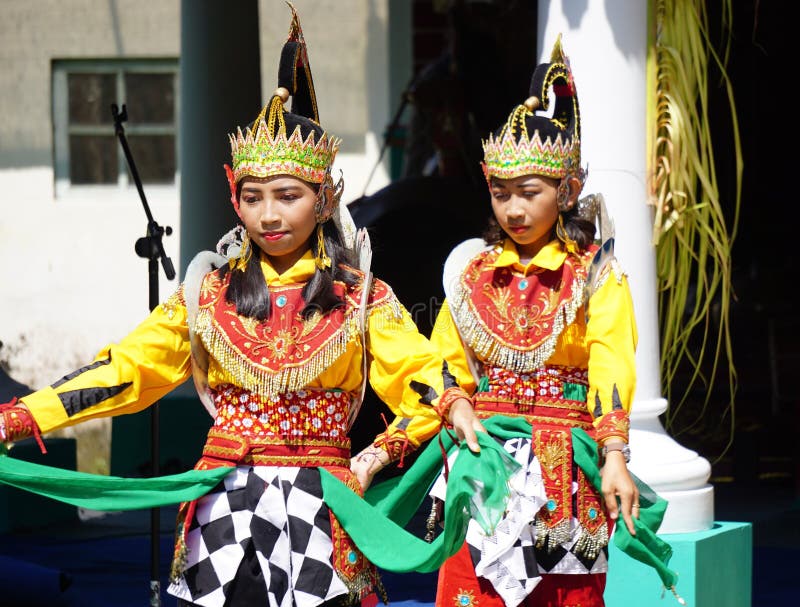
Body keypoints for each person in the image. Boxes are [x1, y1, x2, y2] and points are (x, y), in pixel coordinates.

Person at [0, 6, 486, 607]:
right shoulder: (209, 297)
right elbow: (125, 370)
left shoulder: (359, 298)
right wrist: (21, 418)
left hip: (324, 507)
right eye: (253, 198)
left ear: (324, 196)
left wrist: (380, 454)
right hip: (224, 508)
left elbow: (425, 381)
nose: (269, 215)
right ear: (235, 196)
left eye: (288, 196)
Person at [376, 37, 642, 607]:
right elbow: (443, 366)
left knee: (564, 596)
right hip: (484, 467)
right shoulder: (473, 275)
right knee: (473, 591)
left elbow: (610, 359)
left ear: (567, 191)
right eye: (501, 194)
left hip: (565, 478)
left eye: (530, 192)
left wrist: (615, 455)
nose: (514, 209)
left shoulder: (594, 274)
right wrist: (439, 413)